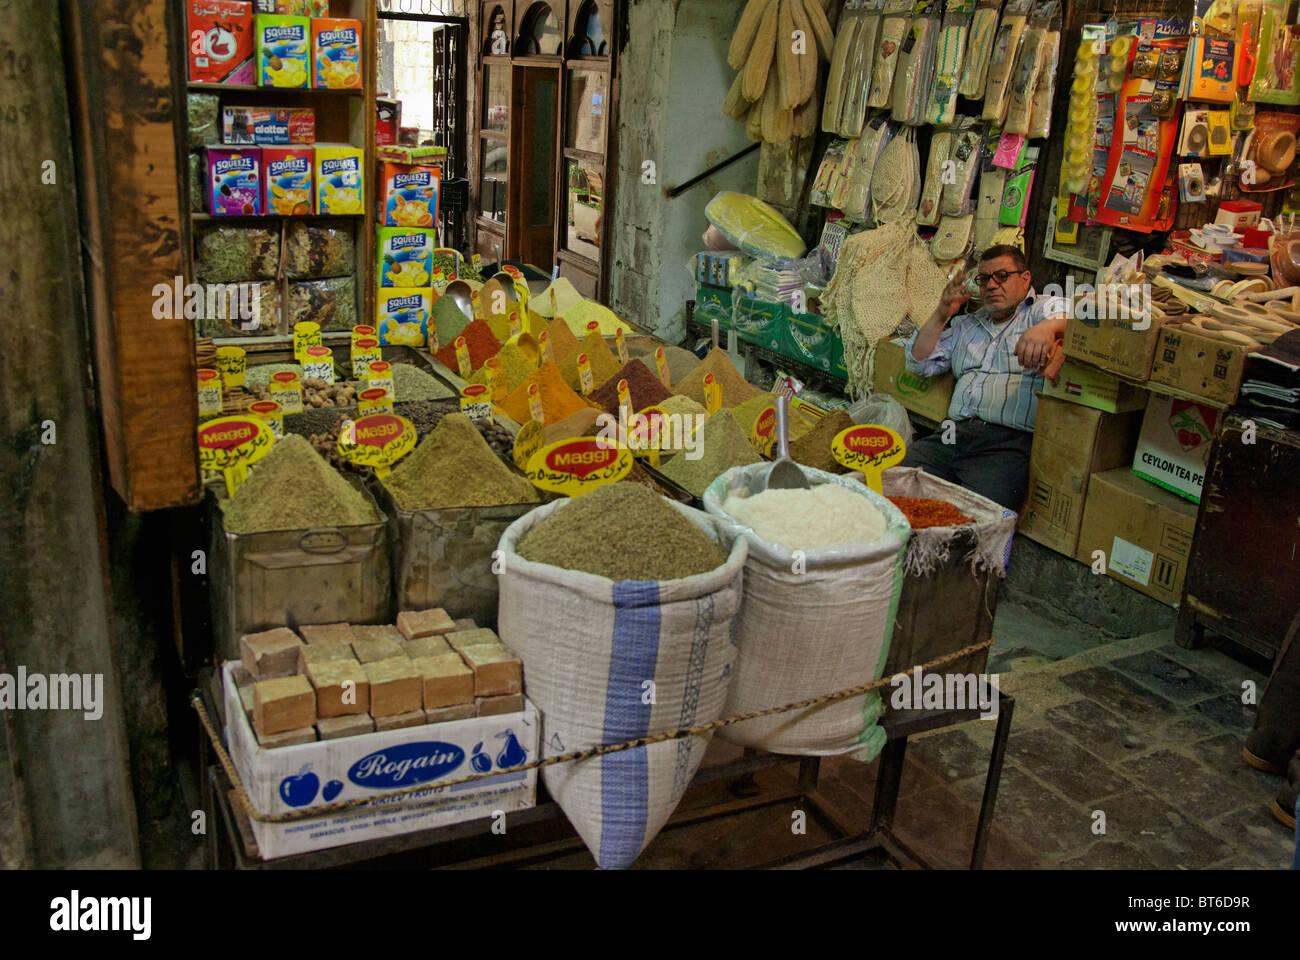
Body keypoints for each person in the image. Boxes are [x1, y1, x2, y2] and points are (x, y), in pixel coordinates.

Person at [900, 244, 1069, 511]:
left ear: (1025, 279)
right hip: (952, 434)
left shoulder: (1041, 309)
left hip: (1006, 443)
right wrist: (943, 311)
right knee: (896, 482)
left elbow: (1086, 323)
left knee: (978, 515)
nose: (991, 285)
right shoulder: (966, 325)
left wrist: (1049, 327)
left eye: (1001, 276)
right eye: (984, 279)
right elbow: (918, 362)